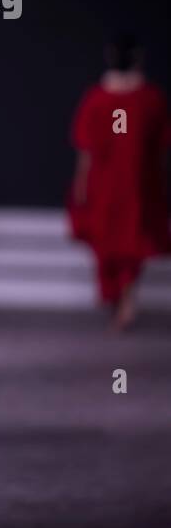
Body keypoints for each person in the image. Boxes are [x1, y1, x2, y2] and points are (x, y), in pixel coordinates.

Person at [67, 35, 171, 332]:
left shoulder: (98, 99)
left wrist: (81, 186)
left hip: (110, 185)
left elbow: (85, 151)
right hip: (136, 184)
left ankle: (121, 300)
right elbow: (161, 151)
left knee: (117, 242)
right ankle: (123, 300)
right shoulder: (149, 99)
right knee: (128, 242)